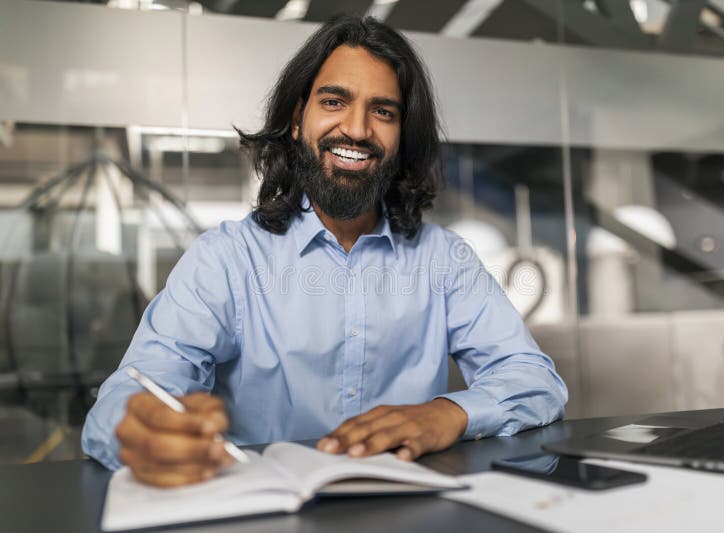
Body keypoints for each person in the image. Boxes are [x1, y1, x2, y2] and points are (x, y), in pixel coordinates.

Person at [81, 15, 567, 487]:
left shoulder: (444, 259)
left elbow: (535, 381)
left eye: (383, 111)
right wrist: (139, 427)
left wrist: (450, 412)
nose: (357, 130)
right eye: (334, 101)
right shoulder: (225, 259)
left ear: (402, 138)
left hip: (407, 514)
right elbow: (128, 396)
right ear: (297, 120)